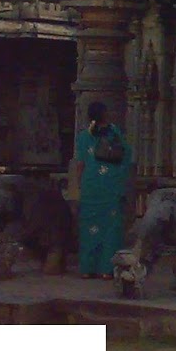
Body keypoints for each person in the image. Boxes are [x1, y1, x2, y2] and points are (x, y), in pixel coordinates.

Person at [71, 101, 131, 278]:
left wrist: (79, 186)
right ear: (105, 114)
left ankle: (87, 269)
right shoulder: (116, 134)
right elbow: (127, 156)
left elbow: (80, 164)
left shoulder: (83, 137)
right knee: (111, 228)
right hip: (111, 186)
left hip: (91, 187)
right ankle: (107, 269)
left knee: (90, 228)